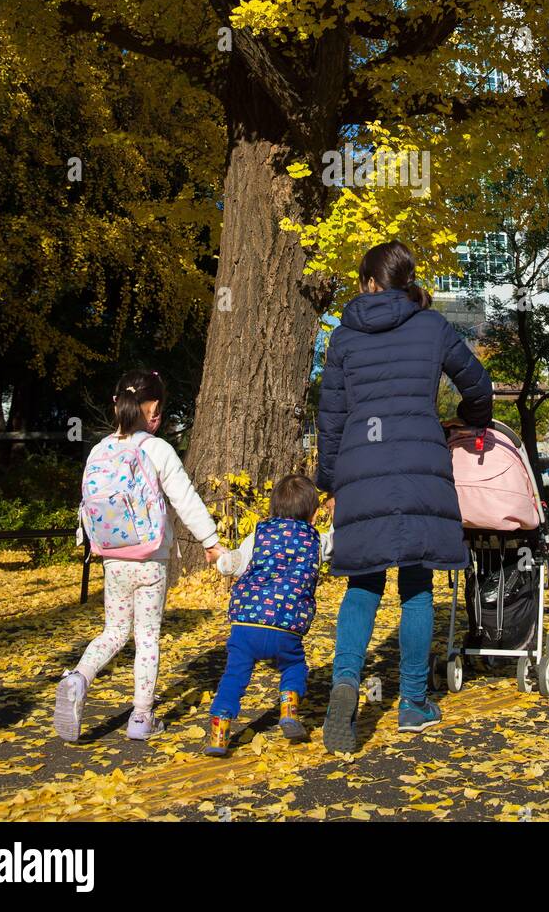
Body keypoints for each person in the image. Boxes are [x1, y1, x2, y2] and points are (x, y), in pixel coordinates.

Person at [317, 240, 492, 753]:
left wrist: (330, 480)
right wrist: (472, 420)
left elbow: (329, 419)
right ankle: (412, 704)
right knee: (417, 584)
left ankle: (346, 684)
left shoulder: (343, 338)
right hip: (421, 467)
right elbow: (478, 385)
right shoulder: (432, 326)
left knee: (362, 584)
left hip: (360, 466)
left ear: (369, 281)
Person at [53, 369, 222, 743]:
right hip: (150, 560)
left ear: (116, 405)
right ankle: (142, 718)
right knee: (147, 637)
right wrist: (210, 541)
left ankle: (78, 678)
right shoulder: (157, 449)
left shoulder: (100, 449)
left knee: (113, 631)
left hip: (113, 557)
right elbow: (185, 498)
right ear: (156, 410)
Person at [204, 474, 333, 755]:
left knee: (234, 675)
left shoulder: (258, 534)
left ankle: (219, 732)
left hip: (246, 623)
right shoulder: (316, 540)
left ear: (274, 509)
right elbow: (337, 543)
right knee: (294, 666)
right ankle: (288, 707)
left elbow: (233, 565)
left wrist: (219, 557)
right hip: (286, 626)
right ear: (312, 515)